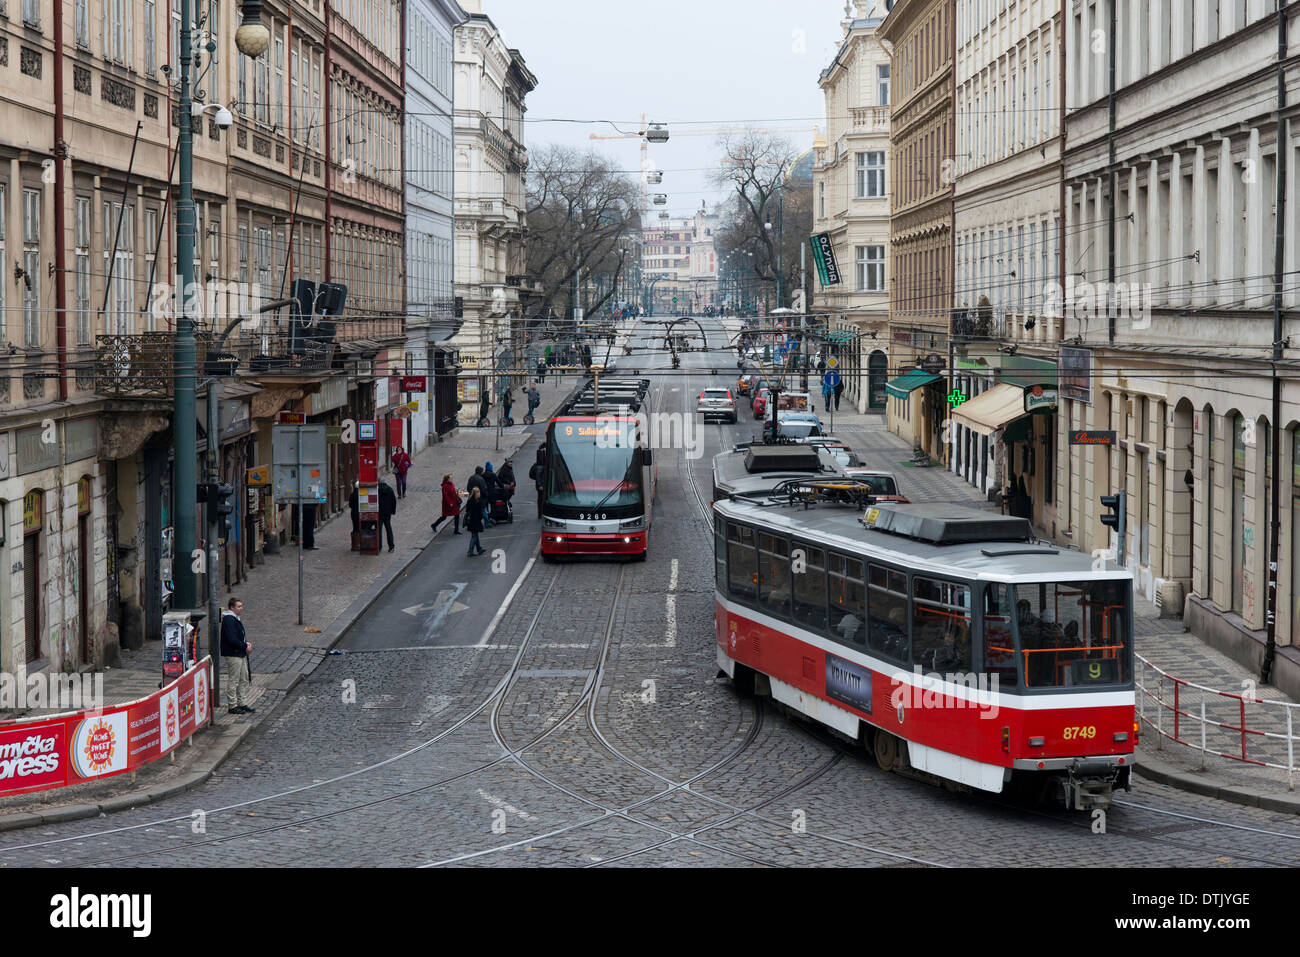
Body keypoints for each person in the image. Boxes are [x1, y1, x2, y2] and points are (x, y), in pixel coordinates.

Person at [220, 597, 254, 715]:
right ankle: (232, 705)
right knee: (234, 679)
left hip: (240, 652)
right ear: (232, 608)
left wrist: (246, 644)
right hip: (233, 653)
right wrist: (244, 646)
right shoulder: (229, 619)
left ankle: (242, 703)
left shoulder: (234, 618)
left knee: (243, 678)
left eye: (241, 606)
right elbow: (232, 638)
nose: (241, 608)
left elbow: (239, 636)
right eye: (239, 606)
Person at [464, 487, 487, 557]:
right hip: (475, 521)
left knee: (475, 534)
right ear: (476, 493)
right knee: (474, 536)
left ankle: (479, 549)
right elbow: (480, 512)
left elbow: (467, 510)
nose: (479, 493)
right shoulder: (477, 501)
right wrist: (481, 517)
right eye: (478, 492)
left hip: (471, 521)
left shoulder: (470, 500)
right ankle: (470, 551)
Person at [378, 478, 397, 552]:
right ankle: (391, 546)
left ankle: (379, 547)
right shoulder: (390, 489)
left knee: (379, 530)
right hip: (387, 513)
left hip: (379, 512)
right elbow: (393, 501)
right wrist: (393, 511)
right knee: (389, 529)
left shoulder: (377, 490)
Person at [529, 448, 546, 518]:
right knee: (542, 499)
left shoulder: (536, 464)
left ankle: (540, 513)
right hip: (541, 485)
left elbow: (532, 475)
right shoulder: (541, 465)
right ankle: (542, 513)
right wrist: (540, 485)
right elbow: (538, 476)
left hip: (539, 485)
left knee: (540, 499)